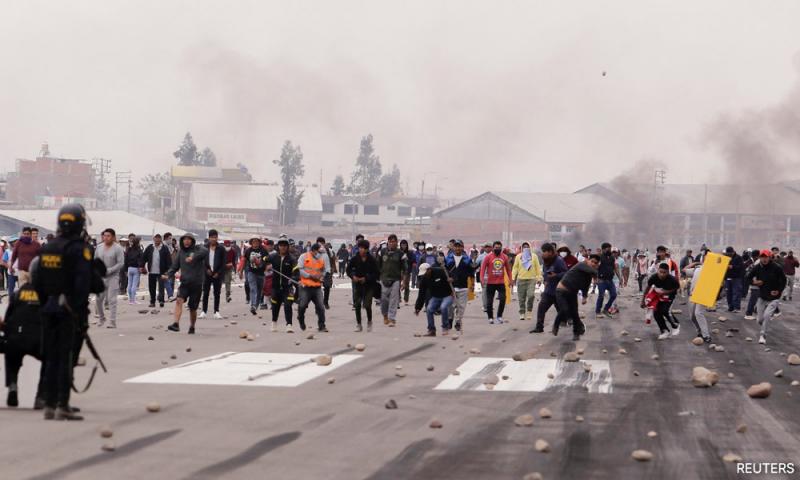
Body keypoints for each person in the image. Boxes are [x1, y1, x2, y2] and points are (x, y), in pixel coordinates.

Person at [34, 205, 92, 420]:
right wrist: (77, 311)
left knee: (50, 357)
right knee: (65, 357)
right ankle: (62, 405)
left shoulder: (48, 247)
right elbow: (82, 284)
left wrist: (44, 304)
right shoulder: (79, 248)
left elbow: (37, 281)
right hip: (68, 311)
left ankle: (48, 403)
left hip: (48, 308)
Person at [2, 269, 46, 408]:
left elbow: (8, 320)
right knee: (49, 360)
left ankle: (13, 386)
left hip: (16, 338)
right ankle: (41, 396)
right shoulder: (44, 295)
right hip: (37, 340)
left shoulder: (16, 295)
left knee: (11, 356)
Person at [164, 233, 208, 334]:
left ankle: (192, 326)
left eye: (189, 239)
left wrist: (193, 257)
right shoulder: (181, 252)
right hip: (184, 283)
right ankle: (176, 324)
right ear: (182, 241)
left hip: (196, 284)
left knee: (193, 308)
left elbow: (205, 251)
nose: (186, 241)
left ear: (192, 241)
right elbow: (174, 267)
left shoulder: (198, 249)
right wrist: (168, 275)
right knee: (179, 300)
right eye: (185, 239)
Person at [552, 254, 600, 341]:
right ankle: (556, 325)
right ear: (587, 260)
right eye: (592, 261)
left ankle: (576, 334)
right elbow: (593, 271)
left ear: (597, 264)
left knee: (575, 314)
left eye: (595, 263)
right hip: (561, 291)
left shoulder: (588, 275)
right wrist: (595, 276)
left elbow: (586, 286)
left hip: (573, 293)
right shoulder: (581, 265)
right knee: (564, 309)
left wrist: (584, 297)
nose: (593, 264)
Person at [746, 250, 787, 345]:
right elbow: (747, 277)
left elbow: (783, 280)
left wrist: (778, 290)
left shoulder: (777, 268)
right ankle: (765, 325)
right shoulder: (757, 267)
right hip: (762, 296)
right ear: (759, 257)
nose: (764, 259)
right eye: (762, 257)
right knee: (760, 319)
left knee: (767, 316)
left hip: (774, 297)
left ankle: (763, 335)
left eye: (766, 257)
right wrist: (754, 282)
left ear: (770, 257)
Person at [532, 243, 567, 333]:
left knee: (561, 309)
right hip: (549, 291)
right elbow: (545, 272)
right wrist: (546, 280)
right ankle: (539, 327)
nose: (543, 253)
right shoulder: (545, 260)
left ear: (551, 252)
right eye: (542, 251)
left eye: (545, 252)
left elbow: (566, 274)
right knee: (541, 307)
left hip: (559, 291)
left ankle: (566, 321)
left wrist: (556, 275)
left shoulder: (559, 260)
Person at [641, 263, 681, 340]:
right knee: (656, 312)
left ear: (668, 272)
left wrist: (667, 292)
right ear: (658, 271)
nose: (662, 274)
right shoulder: (654, 277)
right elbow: (647, 288)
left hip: (669, 296)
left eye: (664, 272)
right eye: (660, 272)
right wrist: (643, 301)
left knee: (665, 311)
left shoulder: (673, 280)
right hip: (659, 295)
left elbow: (676, 288)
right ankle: (664, 330)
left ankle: (675, 324)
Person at [95, 228, 124, 328]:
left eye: (108, 236)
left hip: (113, 276)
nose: (106, 238)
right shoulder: (99, 247)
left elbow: (121, 263)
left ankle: (112, 321)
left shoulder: (118, 248)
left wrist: (110, 270)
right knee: (98, 299)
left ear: (113, 237)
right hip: (101, 277)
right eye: (104, 236)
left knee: (112, 300)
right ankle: (102, 318)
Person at [347, 239, 379, 332]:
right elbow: (348, 270)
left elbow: (377, 273)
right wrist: (353, 276)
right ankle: (359, 324)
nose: (362, 250)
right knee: (357, 304)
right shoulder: (354, 259)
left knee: (367, 305)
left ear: (367, 249)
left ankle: (369, 321)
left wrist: (366, 278)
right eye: (360, 248)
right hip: (358, 285)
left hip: (369, 285)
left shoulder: (372, 259)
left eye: (364, 248)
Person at [414, 262, 454, 336]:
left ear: (429, 270)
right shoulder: (424, 279)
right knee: (429, 309)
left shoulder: (440, 271)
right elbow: (421, 294)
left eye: (425, 273)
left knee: (443, 307)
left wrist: (452, 280)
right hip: (436, 297)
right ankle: (431, 330)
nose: (424, 275)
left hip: (447, 295)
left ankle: (445, 327)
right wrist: (418, 307)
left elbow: (453, 277)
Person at [377, 234, 407, 327]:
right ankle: (385, 315)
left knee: (394, 300)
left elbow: (405, 269)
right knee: (383, 300)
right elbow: (377, 266)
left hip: (396, 280)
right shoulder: (381, 252)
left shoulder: (401, 254)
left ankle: (392, 318)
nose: (392, 243)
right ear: (388, 242)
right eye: (390, 241)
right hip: (383, 279)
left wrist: (404, 282)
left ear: (397, 243)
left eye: (394, 241)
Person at [269, 237, 298, 332]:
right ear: (278, 246)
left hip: (288, 287)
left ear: (288, 247)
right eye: (281, 245)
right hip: (275, 286)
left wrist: (293, 278)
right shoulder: (273, 257)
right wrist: (265, 265)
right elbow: (262, 262)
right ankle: (274, 323)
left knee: (288, 305)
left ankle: (289, 325)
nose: (283, 247)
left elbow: (296, 271)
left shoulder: (292, 259)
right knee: (275, 306)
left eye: (285, 245)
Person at [297, 243, 328, 332]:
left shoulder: (321, 259)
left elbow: (323, 271)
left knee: (321, 307)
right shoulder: (304, 256)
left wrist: (322, 277)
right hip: (305, 287)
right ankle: (301, 319)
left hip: (317, 287)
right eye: (319, 252)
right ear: (314, 251)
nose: (320, 254)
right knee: (302, 305)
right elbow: (300, 270)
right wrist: (310, 276)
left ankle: (322, 326)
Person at [444, 239, 474, 333]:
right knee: (451, 306)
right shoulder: (448, 259)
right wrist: (446, 280)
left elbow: (471, 273)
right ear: (453, 247)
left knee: (461, 307)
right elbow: (444, 272)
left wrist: (472, 284)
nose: (457, 248)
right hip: (451, 287)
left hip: (463, 287)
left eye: (459, 246)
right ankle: (450, 319)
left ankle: (458, 321)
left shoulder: (467, 259)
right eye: (456, 246)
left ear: (462, 247)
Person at [480, 241, 512, 324]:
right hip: (490, 283)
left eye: (499, 247)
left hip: (501, 282)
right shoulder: (488, 257)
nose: (497, 249)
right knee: (489, 301)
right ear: (493, 248)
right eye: (496, 247)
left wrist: (510, 280)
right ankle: (490, 317)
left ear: (501, 248)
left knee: (503, 299)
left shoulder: (504, 257)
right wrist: (482, 279)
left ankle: (499, 316)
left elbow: (508, 269)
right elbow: (483, 269)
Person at [512, 241, 542, 321]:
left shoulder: (534, 256)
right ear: (522, 248)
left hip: (531, 279)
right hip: (521, 279)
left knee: (531, 296)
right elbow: (515, 268)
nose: (526, 248)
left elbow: (538, 268)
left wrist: (539, 278)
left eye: (527, 246)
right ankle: (522, 312)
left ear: (530, 247)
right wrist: (513, 278)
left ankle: (529, 311)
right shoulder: (518, 257)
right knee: (521, 298)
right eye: (524, 247)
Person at [685, 256, 711, 343]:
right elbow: (684, 270)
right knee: (692, 316)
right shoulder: (697, 269)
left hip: (703, 294)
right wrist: (695, 263)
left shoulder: (713, 271)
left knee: (698, 313)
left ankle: (706, 335)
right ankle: (699, 331)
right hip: (693, 294)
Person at [200, 230, 225, 319]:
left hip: (217, 274)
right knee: (205, 293)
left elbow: (223, 263)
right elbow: (201, 260)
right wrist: (206, 269)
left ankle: (216, 311)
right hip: (207, 273)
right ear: (209, 237)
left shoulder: (221, 248)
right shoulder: (204, 248)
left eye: (215, 237)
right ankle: (204, 311)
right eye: (212, 237)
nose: (214, 239)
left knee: (217, 293)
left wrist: (218, 273)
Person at [242, 237, 269, 315]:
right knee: (253, 289)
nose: (255, 243)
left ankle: (255, 306)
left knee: (259, 291)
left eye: (257, 241)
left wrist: (266, 266)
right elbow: (244, 260)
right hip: (251, 272)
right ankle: (253, 305)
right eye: (253, 241)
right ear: (251, 242)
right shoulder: (248, 251)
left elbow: (267, 261)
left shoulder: (263, 251)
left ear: (259, 242)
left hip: (261, 273)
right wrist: (241, 271)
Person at [142, 233, 170, 309]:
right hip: (151, 271)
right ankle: (152, 302)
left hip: (161, 271)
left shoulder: (164, 248)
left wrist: (168, 270)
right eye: (156, 239)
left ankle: (161, 300)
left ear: (160, 240)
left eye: (158, 240)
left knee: (161, 287)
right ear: (154, 239)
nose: (157, 241)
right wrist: (142, 266)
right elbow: (144, 257)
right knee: (152, 287)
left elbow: (168, 260)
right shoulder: (150, 248)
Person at [595, 243, 619, 318]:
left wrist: (620, 277)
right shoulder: (599, 257)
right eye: (608, 248)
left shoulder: (612, 257)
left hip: (610, 280)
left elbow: (615, 268)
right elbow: (594, 268)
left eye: (610, 248)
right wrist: (595, 279)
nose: (609, 250)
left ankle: (605, 309)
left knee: (614, 295)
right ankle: (598, 311)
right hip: (601, 280)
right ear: (603, 249)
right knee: (601, 296)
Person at [723, 246, 744, 313]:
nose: (728, 254)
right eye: (727, 253)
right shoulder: (725, 257)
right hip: (727, 278)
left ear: (733, 252)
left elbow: (741, 267)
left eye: (730, 253)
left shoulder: (738, 258)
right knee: (728, 293)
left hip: (736, 278)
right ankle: (730, 307)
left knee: (736, 293)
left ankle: (736, 308)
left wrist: (732, 267)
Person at [124, 236, 143, 304]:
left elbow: (125, 259)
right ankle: (133, 300)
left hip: (129, 268)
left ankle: (130, 300)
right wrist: (141, 267)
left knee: (129, 284)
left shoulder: (128, 249)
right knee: (134, 285)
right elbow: (141, 259)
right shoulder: (139, 250)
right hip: (136, 268)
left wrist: (125, 269)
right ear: (138, 242)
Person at [162, 232, 176, 300]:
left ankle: (170, 295)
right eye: (169, 238)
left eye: (171, 238)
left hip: (171, 266)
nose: (171, 240)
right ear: (165, 239)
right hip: (165, 267)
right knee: (166, 281)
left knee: (170, 281)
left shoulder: (171, 246)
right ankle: (169, 295)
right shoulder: (163, 246)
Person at [400, 239, 414, 305]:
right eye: (402, 245)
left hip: (407, 271)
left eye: (405, 245)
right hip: (399, 271)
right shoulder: (398, 252)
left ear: (407, 245)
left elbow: (413, 260)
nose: (403, 246)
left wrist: (408, 259)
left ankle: (406, 299)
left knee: (407, 286)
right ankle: (398, 298)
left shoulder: (410, 252)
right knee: (397, 284)